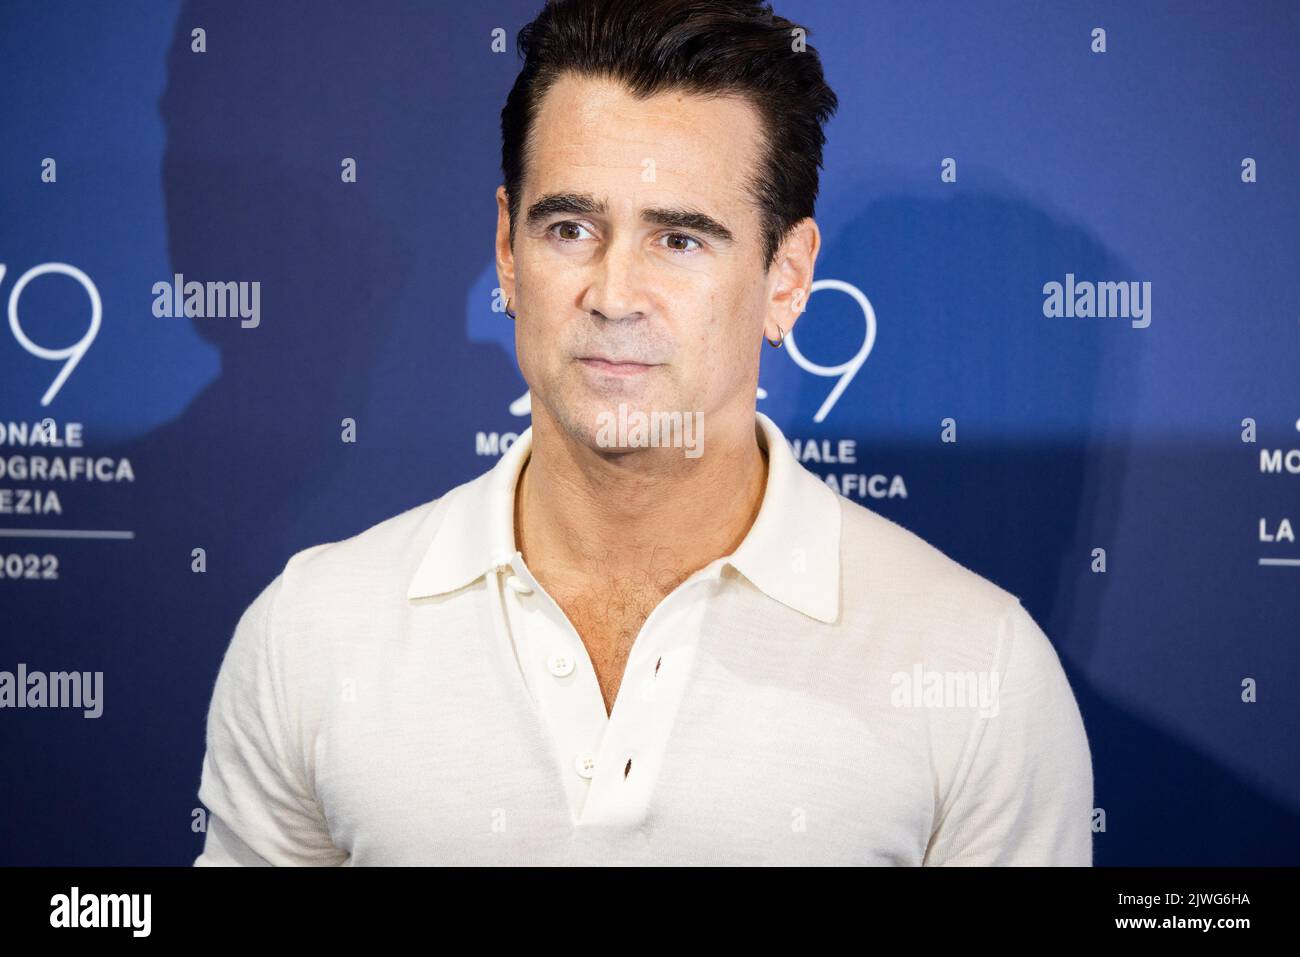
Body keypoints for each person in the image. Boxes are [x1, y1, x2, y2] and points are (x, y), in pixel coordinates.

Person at [194, 0, 1092, 866]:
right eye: (571, 227)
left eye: (680, 241)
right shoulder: (312, 632)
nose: (613, 294)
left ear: (787, 276)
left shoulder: (977, 669)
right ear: (508, 249)